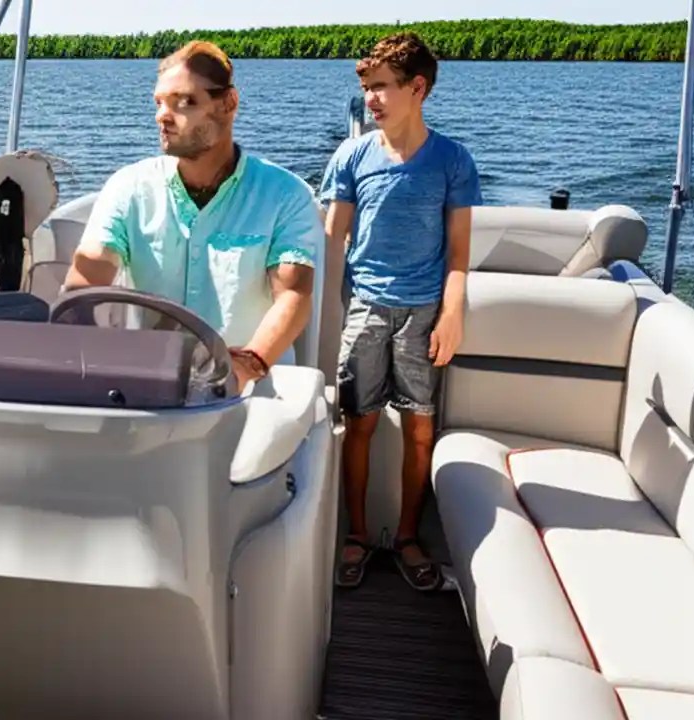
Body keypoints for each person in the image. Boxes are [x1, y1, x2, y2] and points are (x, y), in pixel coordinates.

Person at [64, 41, 322, 392]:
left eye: (184, 102)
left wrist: (244, 367)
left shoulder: (286, 195)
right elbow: (87, 276)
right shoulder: (129, 188)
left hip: (253, 393)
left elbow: (293, 294)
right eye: (158, 103)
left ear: (228, 103)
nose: (162, 116)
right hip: (149, 388)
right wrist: (85, 356)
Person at [321, 33, 482, 590]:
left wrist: (452, 314)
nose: (371, 99)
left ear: (418, 88)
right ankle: (357, 534)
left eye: (382, 87)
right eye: (367, 88)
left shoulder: (453, 160)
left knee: (419, 431)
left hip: (423, 313)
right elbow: (331, 242)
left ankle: (410, 535)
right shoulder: (351, 156)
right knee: (358, 424)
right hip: (365, 309)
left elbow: (458, 254)